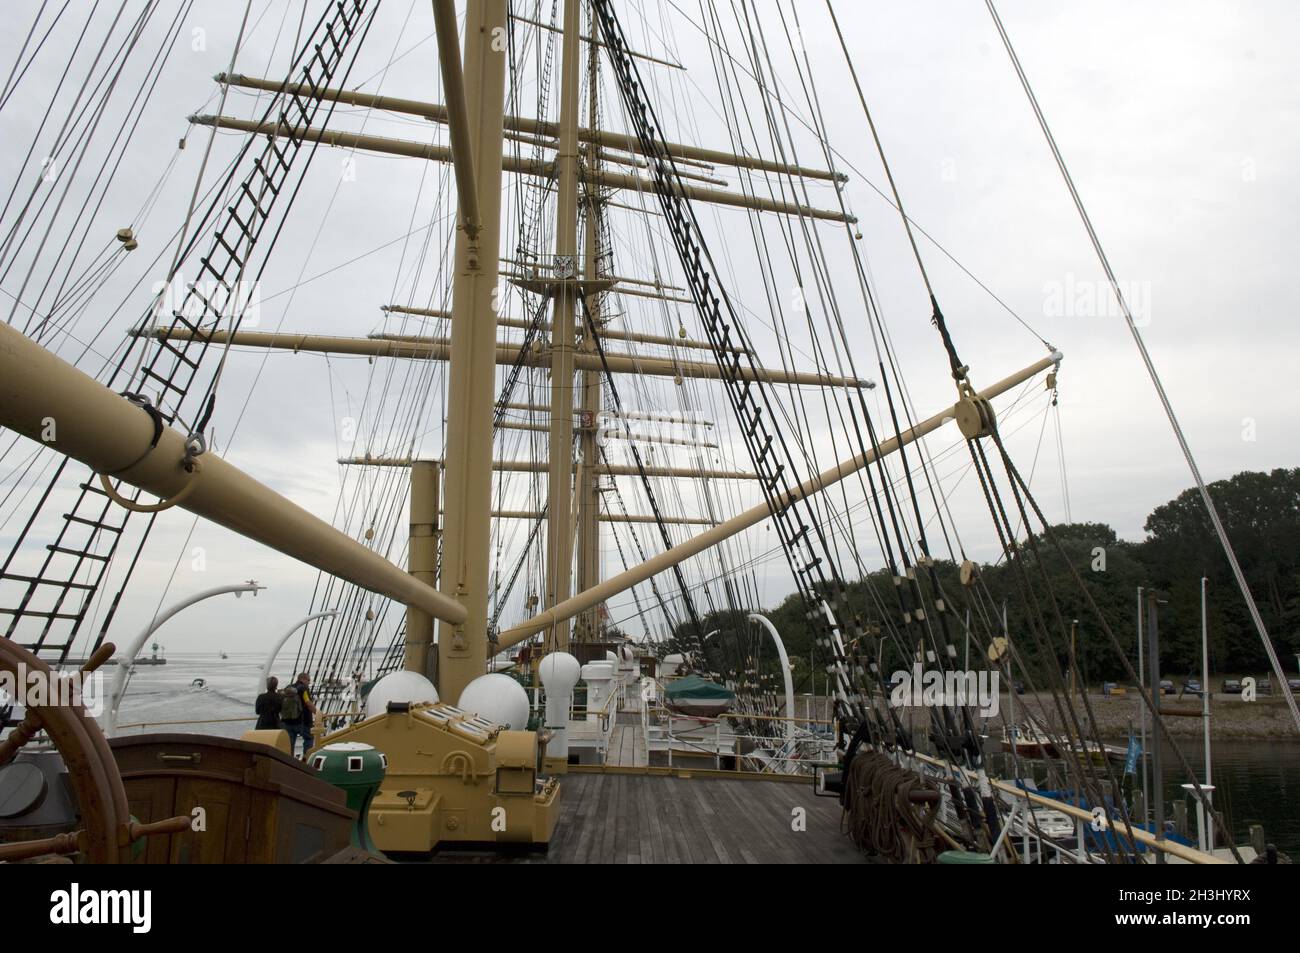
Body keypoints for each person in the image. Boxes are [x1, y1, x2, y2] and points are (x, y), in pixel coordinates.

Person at [281, 672, 317, 758]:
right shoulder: (303, 688)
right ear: (303, 679)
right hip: (303, 721)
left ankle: (289, 762)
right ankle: (306, 759)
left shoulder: (288, 688)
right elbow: (308, 703)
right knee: (309, 738)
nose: (309, 683)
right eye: (308, 680)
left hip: (287, 722)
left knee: (290, 744)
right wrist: (318, 713)